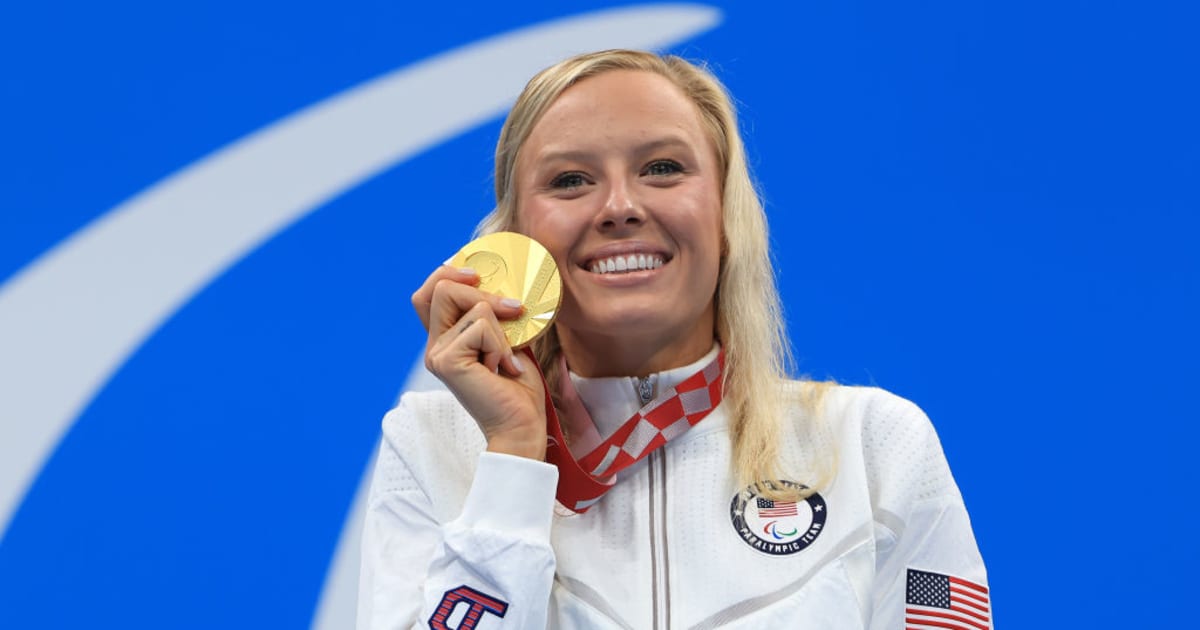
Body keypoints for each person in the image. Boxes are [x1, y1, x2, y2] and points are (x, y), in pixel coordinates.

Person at [358, 49, 990, 629]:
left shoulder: (873, 445)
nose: (619, 206)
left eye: (663, 168)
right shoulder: (434, 446)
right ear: (515, 237)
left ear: (725, 216)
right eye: (570, 180)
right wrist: (514, 460)